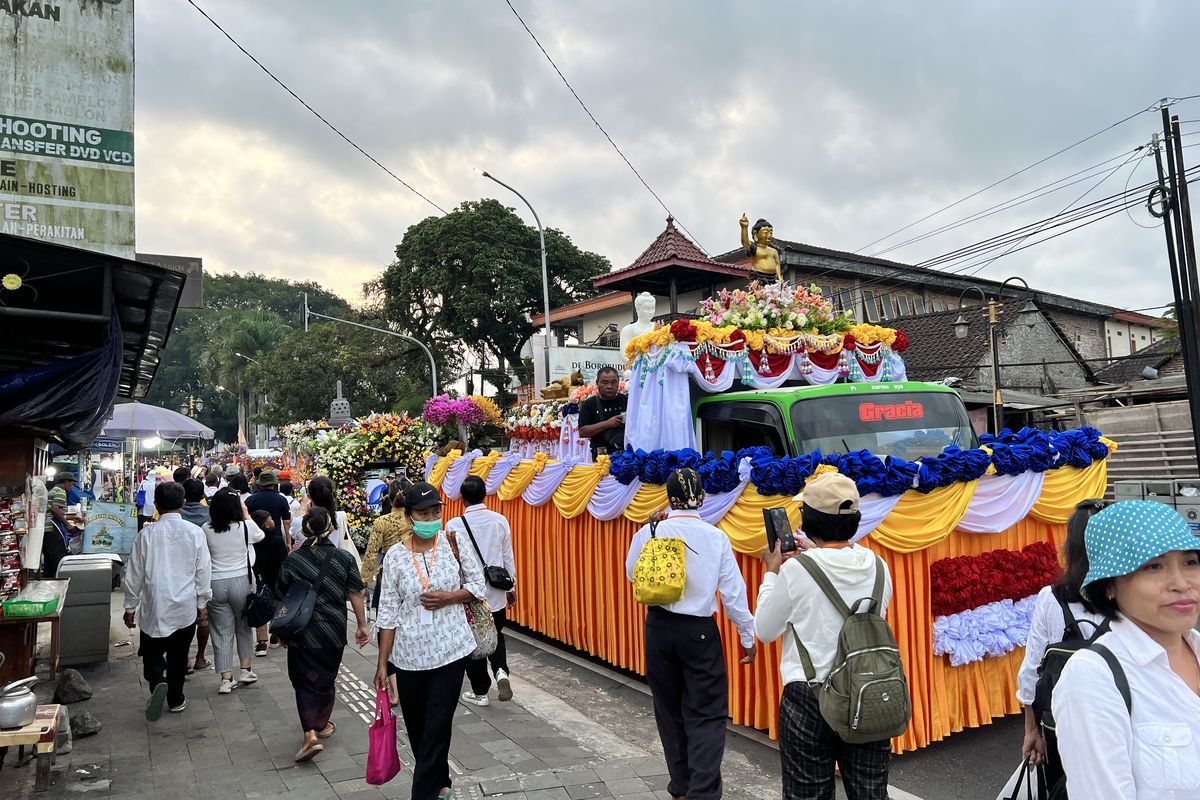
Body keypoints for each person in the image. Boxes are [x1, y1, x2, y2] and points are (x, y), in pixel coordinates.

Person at [754, 472, 894, 800]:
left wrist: (771, 573)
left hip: (809, 697)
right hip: (868, 690)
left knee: (809, 795)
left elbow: (764, 629)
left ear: (809, 519)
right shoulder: (878, 565)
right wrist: (816, 553)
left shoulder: (796, 570)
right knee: (871, 793)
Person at [624, 467, 757, 800]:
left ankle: (681, 788)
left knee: (669, 711)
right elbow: (733, 595)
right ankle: (703, 791)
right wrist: (748, 637)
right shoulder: (715, 537)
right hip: (698, 631)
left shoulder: (649, 532)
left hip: (658, 627)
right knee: (707, 713)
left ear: (669, 498)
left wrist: (654, 528)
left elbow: (632, 573)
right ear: (702, 496)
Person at [1052, 500, 1200, 798]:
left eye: (1190, 562)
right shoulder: (1094, 677)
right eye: (1153, 566)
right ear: (1110, 585)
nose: (1181, 583)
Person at [375, 481, 486, 800]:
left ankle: (422, 794)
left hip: (451, 650)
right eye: (423, 514)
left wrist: (450, 597)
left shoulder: (454, 541)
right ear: (409, 518)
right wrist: (383, 664)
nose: (431, 518)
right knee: (418, 728)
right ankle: (441, 782)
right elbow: (387, 612)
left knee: (437, 724)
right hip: (409, 656)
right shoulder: (395, 557)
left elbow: (478, 585)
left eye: (435, 512)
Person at [1014, 499, 1108, 789]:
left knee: (1061, 788)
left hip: (1059, 724)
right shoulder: (1127, 595)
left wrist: (1032, 731)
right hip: (1114, 724)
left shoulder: (1049, 597)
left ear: (1071, 545)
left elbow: (1032, 670)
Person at [279, 508, 368, 763]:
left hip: (300, 630)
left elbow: (282, 596)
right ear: (331, 528)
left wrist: (280, 629)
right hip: (332, 628)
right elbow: (354, 594)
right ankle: (320, 724)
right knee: (326, 678)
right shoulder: (344, 559)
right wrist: (362, 625)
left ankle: (310, 732)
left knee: (303, 681)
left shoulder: (293, 560)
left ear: (304, 529)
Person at [122, 482, 212, 720]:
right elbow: (203, 571)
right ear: (182, 504)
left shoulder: (146, 535)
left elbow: (134, 575)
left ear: (157, 506)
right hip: (185, 605)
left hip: (154, 604)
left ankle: (156, 681)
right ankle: (176, 698)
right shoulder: (195, 532)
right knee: (179, 654)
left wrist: (130, 607)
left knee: (151, 650)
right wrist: (202, 603)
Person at [447, 475, 518, 706]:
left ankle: (481, 692)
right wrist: (512, 586)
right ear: (484, 494)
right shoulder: (499, 520)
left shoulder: (454, 525)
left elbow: (453, 563)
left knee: (472, 642)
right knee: (496, 632)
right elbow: (508, 556)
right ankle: (501, 672)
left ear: (463, 498)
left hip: (469, 594)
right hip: (496, 591)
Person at [202, 489, 265, 695]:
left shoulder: (206, 528)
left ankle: (226, 679)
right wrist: (246, 514)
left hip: (215, 583)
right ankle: (246, 669)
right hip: (242, 582)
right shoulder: (244, 527)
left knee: (221, 631)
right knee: (243, 626)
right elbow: (261, 535)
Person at [246, 472, 291, 657]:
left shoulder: (250, 500)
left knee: (260, 593)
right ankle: (274, 634)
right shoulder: (281, 500)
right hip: (276, 545)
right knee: (277, 593)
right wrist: (288, 542)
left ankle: (261, 641)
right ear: (275, 484)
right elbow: (287, 522)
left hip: (256, 546)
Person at [578, 366, 627, 458]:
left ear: (618, 382)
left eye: (613, 382)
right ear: (597, 383)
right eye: (605, 383)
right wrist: (607, 424)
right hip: (602, 455)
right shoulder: (589, 404)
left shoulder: (626, 400)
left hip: (626, 454)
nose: (609, 386)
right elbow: (583, 432)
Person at [739, 214, 782, 282]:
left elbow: (777, 264)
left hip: (773, 278)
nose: (769, 235)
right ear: (755, 234)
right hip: (759, 277)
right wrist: (744, 228)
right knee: (760, 292)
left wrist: (780, 277)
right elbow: (745, 242)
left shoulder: (774, 251)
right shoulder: (755, 248)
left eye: (771, 233)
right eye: (766, 232)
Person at [41, 486, 73, 577]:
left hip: (45, 528)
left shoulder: (52, 490)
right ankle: (59, 581)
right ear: (66, 482)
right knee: (58, 558)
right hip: (52, 528)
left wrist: (72, 518)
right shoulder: (61, 491)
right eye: (71, 484)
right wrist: (67, 525)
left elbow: (54, 512)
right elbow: (55, 510)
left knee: (49, 559)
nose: (71, 487)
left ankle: (49, 580)